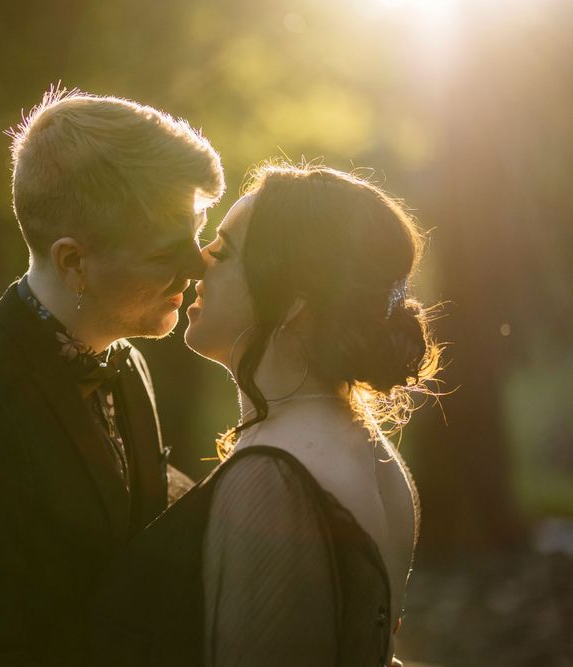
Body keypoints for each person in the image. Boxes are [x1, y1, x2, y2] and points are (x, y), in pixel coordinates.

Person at [0, 88, 225, 666]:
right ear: (73, 262)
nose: (199, 264)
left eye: (198, 235)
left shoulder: (128, 363)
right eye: (167, 249)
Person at [90, 162, 442, 666]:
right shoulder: (374, 454)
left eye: (225, 250)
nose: (198, 261)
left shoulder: (272, 476)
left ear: (295, 301)